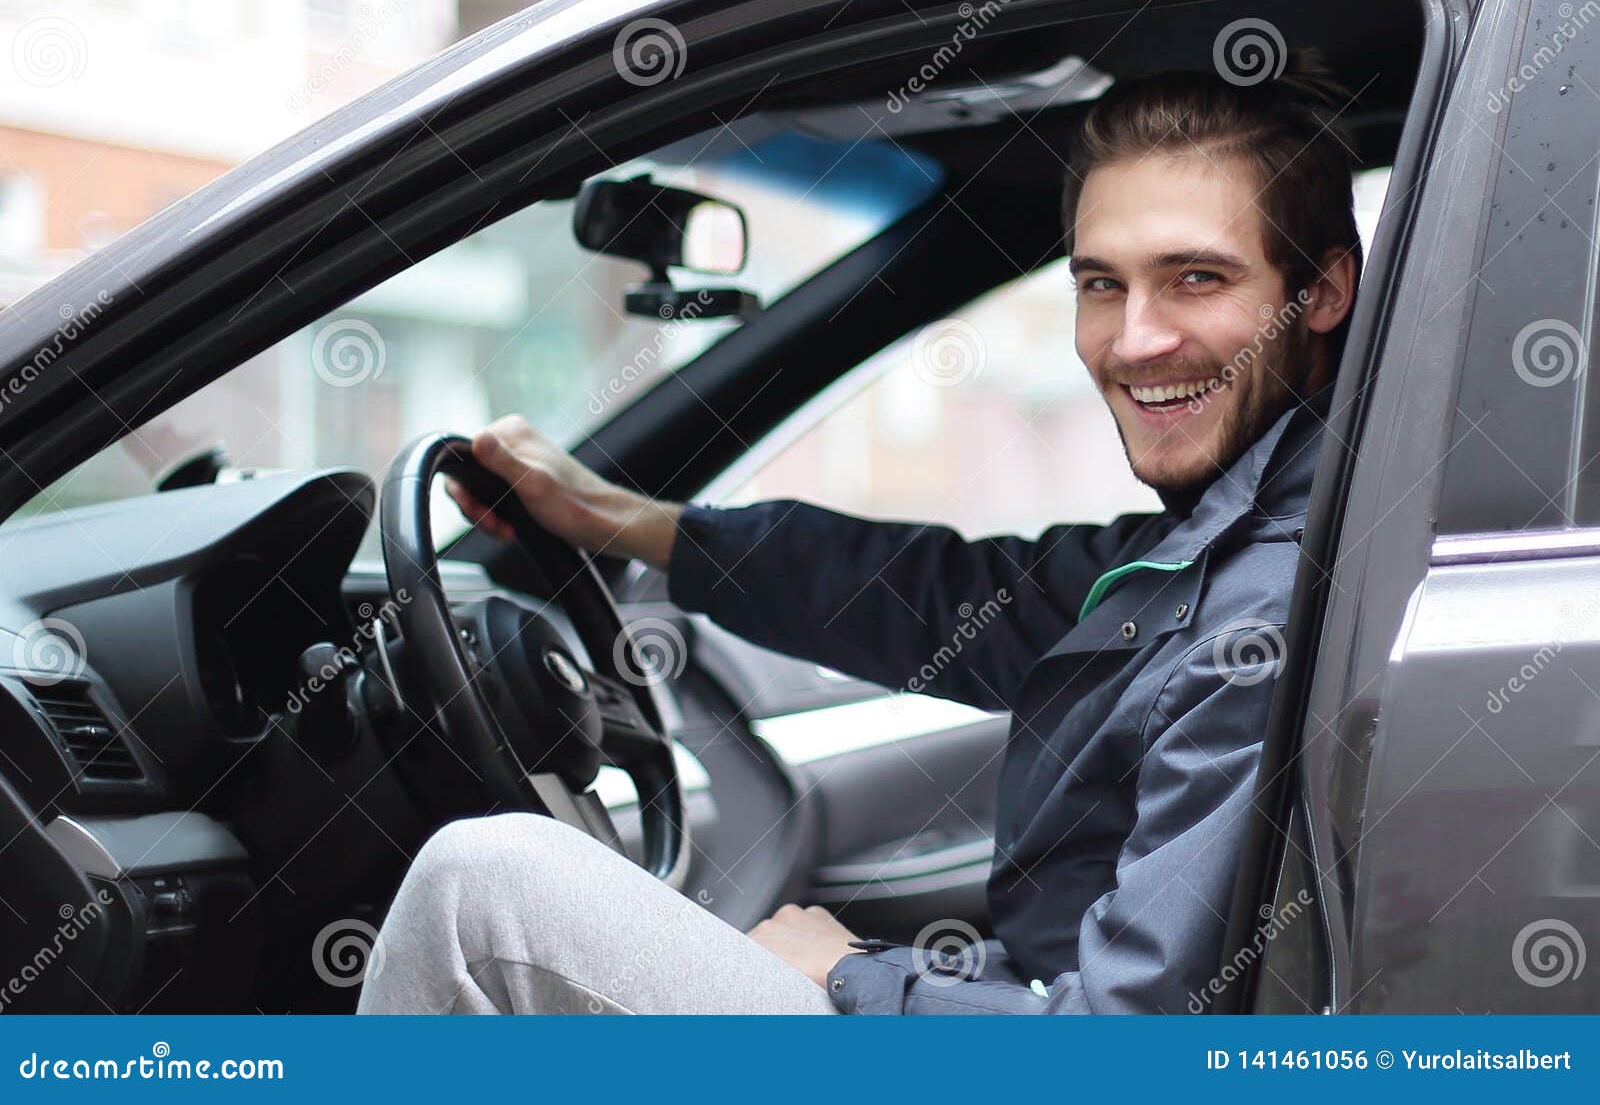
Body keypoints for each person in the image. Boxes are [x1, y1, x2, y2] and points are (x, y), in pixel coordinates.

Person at [357, 60, 1361, 1015]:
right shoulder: (1237, 531)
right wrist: (624, 519)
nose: (1134, 339)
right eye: (1100, 283)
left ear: (1319, 291)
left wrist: (853, 971)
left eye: (1194, 278)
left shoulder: (1264, 606)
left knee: (479, 890)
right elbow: (954, 598)